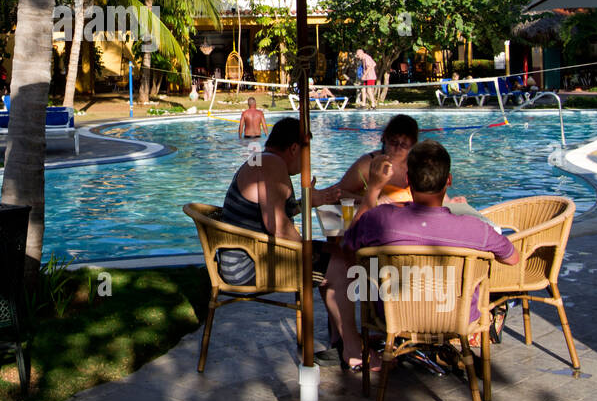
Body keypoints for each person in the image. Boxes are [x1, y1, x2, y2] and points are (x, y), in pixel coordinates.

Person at [322, 140, 520, 370]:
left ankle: (351, 343)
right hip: (457, 317)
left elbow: (348, 245)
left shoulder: (380, 220)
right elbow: (513, 259)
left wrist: (373, 190)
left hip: (393, 316)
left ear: (408, 180)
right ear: (449, 181)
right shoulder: (476, 229)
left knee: (337, 263)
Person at [218, 118, 305, 284]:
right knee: (337, 263)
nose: (307, 160)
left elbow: (273, 211)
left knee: (333, 257)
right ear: (294, 148)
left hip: (238, 263)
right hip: (247, 269)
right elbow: (278, 227)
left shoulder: (262, 160)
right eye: (306, 152)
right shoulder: (272, 164)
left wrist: (307, 202)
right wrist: (309, 253)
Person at [315, 114, 419, 206]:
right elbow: (338, 194)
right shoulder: (367, 164)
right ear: (384, 139)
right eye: (393, 142)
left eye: (404, 145)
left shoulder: (417, 165)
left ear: (412, 145)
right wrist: (371, 200)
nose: (397, 148)